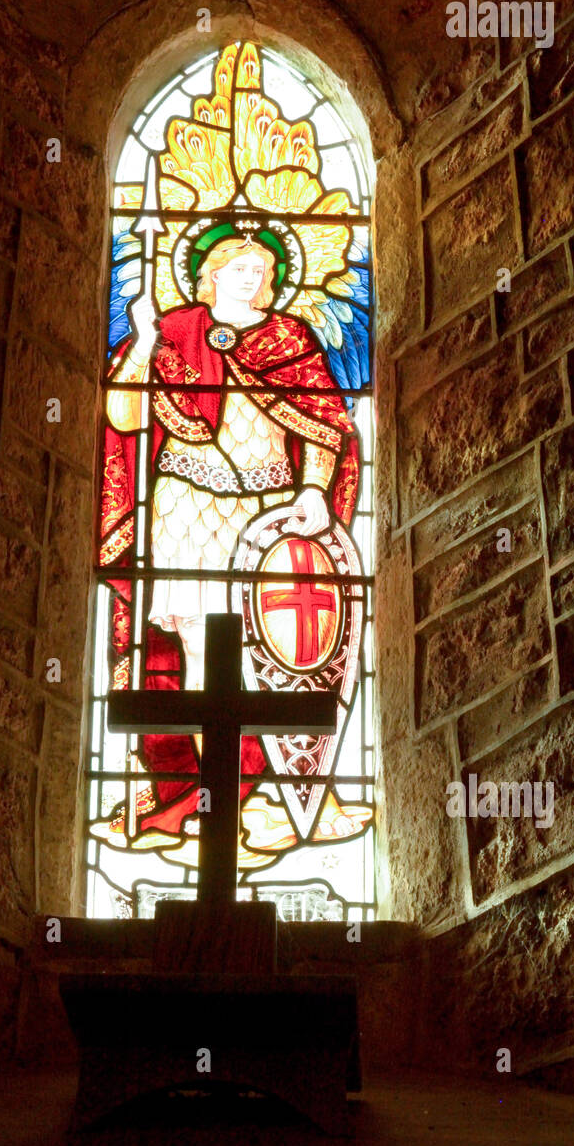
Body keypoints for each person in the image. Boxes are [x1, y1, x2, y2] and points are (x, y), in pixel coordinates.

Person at [100, 233, 360, 841]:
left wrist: (316, 491)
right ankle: (209, 795)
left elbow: (326, 428)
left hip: (269, 513)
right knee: (196, 652)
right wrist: (141, 341)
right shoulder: (174, 334)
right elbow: (123, 416)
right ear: (210, 272)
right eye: (238, 266)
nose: (250, 277)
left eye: (261, 269)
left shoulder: (288, 340)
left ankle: (280, 796)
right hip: (187, 509)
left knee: (271, 656)